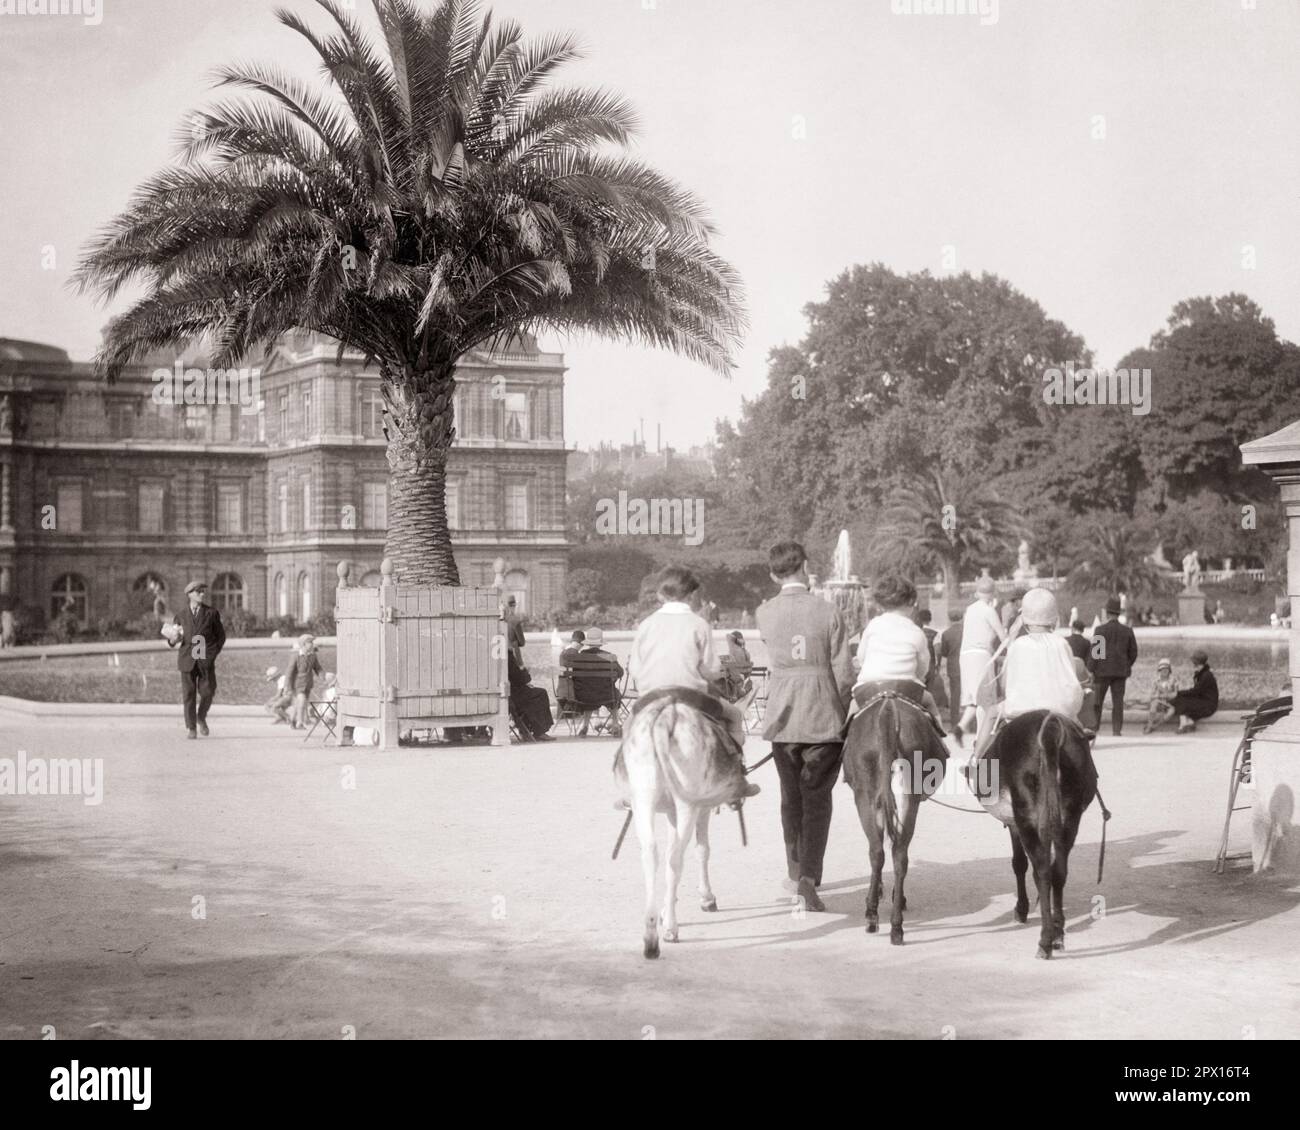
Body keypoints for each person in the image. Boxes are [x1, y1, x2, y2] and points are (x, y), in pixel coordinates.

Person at [756, 541, 853, 911]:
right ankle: (810, 878)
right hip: (822, 714)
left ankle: (795, 871)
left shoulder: (764, 613)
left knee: (789, 798)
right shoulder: (829, 611)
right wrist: (841, 711)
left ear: (772, 574)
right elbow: (844, 674)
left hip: (783, 716)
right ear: (806, 567)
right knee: (818, 801)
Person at [627, 565, 758, 802]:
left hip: (652, 697)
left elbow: (635, 669)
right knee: (735, 717)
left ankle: (630, 783)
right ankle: (738, 777)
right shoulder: (699, 624)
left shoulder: (646, 625)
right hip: (690, 697)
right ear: (691, 595)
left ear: (659, 595)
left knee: (630, 728)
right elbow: (713, 670)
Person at [853, 574, 946, 735]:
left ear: (881, 605)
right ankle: (940, 740)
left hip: (871, 686)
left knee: (852, 707)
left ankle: (844, 744)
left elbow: (862, 657)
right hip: (906, 688)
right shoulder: (916, 632)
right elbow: (923, 667)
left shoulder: (873, 625)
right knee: (930, 701)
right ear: (911, 603)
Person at [1001, 589, 1085, 722]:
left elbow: (1005, 683)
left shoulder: (1018, 644)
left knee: (992, 713)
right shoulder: (1064, 642)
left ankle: (980, 743)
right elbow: (1071, 675)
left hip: (1021, 707)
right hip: (1059, 708)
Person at [164, 580, 226, 739]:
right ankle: (191, 727)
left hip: (205, 659)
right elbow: (173, 640)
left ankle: (201, 717)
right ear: (189, 594)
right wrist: (172, 639)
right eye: (198, 591)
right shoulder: (181, 615)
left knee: (208, 692)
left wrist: (212, 655)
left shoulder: (211, 613)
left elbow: (220, 637)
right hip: (187, 659)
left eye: (203, 591)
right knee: (188, 695)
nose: (202, 594)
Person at [957, 576, 1006, 747]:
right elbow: (1002, 635)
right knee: (986, 699)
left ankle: (967, 729)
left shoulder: (970, 609)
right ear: (992, 593)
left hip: (965, 654)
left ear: (977, 592)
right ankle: (978, 736)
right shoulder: (989, 611)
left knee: (974, 696)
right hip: (981, 654)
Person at [1091, 595, 1138, 736]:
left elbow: (1096, 654)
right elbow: (1134, 652)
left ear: (1107, 612)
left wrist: (1091, 670)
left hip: (1102, 672)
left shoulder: (1100, 630)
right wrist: (1126, 664)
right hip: (1120, 672)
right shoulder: (1127, 631)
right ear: (1118, 613)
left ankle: (1095, 728)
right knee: (1118, 703)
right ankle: (1116, 730)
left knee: (1098, 702)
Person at [566, 626, 624, 737]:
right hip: (606, 694)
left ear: (588, 642)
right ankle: (616, 724)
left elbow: (575, 677)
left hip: (583, 696)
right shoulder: (609, 656)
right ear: (600, 643)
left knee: (590, 689)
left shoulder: (579, 656)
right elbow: (620, 672)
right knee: (614, 694)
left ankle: (585, 726)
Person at [508, 650, 554, 741]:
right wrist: (524, 670)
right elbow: (521, 679)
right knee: (541, 693)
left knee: (534, 694)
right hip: (514, 695)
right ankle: (540, 731)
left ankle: (527, 729)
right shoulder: (508, 656)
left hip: (509, 694)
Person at [1168, 650, 1219, 733]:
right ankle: (1189, 722)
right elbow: (1197, 691)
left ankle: (1183, 725)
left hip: (1209, 705)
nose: (1193, 665)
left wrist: (1177, 693)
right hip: (1206, 701)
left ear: (1197, 662)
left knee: (1181, 700)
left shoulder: (1206, 675)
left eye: (1194, 663)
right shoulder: (1202, 673)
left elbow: (1196, 691)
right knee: (1181, 698)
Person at [936, 609, 964, 739]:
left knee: (955, 696)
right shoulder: (967, 631)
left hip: (953, 667)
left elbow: (944, 652)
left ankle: (954, 724)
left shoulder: (946, 634)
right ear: (962, 617)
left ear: (949, 618)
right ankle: (969, 723)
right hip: (966, 665)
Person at [287, 634, 324, 729]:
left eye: (312, 642)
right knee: (302, 701)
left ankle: (292, 720)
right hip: (297, 684)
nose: (312, 644)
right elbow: (289, 673)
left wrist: (322, 676)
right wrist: (288, 688)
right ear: (303, 644)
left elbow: (318, 668)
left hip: (308, 684)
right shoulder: (296, 656)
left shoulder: (313, 656)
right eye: (310, 642)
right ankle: (300, 722)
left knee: (299, 703)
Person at [1143, 657, 1179, 733]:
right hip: (1158, 702)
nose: (1164, 671)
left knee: (1171, 712)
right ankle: (1149, 725)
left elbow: (1176, 694)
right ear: (1159, 670)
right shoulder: (1156, 681)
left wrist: (1167, 695)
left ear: (1169, 670)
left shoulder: (1174, 680)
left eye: (1166, 669)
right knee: (1154, 704)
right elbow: (1152, 695)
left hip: (1169, 703)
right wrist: (1159, 696)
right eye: (1162, 669)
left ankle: (1154, 726)